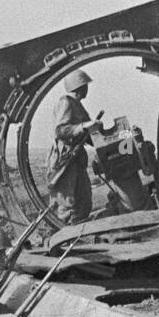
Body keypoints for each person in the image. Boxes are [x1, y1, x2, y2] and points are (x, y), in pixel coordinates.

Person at [49, 69, 103, 225]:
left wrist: (102, 131)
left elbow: (91, 137)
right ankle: (64, 239)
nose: (87, 88)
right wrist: (84, 126)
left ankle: (80, 238)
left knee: (83, 202)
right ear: (79, 87)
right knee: (67, 206)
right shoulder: (65, 102)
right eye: (85, 85)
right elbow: (60, 131)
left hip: (77, 162)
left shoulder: (78, 106)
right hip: (65, 163)